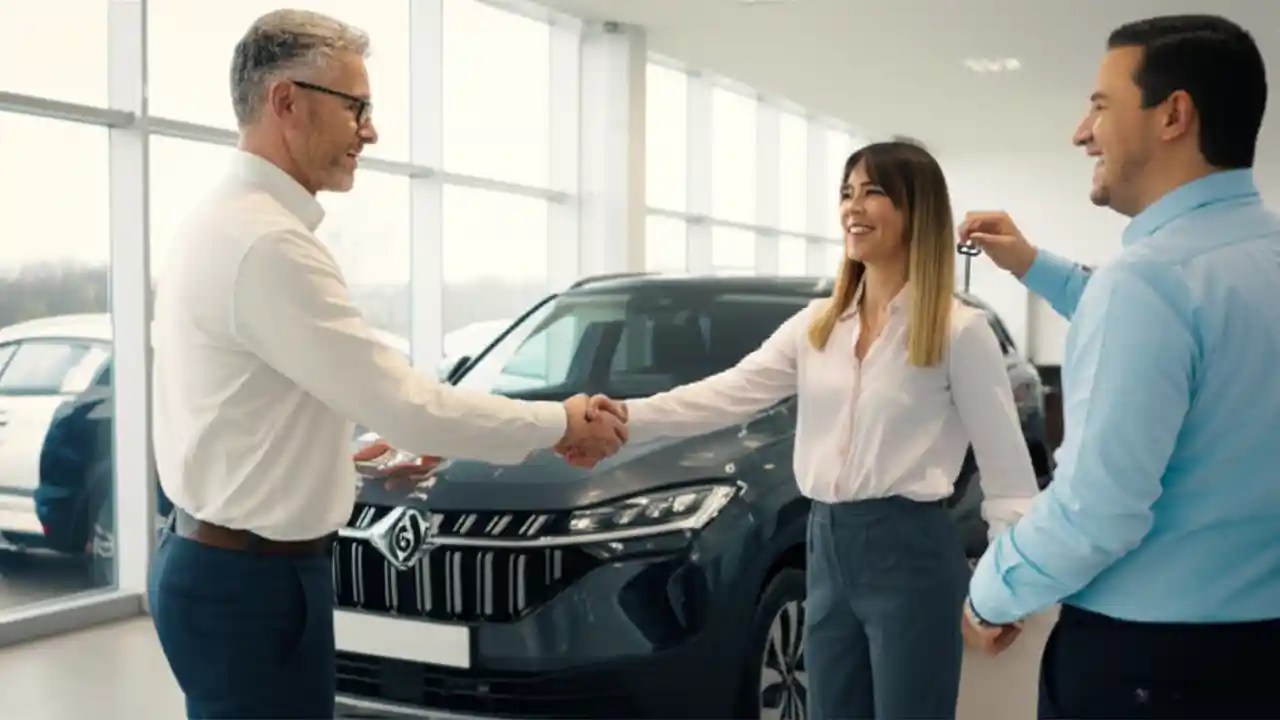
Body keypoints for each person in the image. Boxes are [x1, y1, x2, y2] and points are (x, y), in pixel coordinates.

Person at [147, 10, 625, 719]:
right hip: (253, 586)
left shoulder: (221, 221)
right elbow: (403, 402)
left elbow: (242, 413)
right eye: (356, 107)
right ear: (287, 101)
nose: (369, 130)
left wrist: (345, 465)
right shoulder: (267, 244)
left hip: (225, 564)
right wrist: (560, 421)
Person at [579, 141, 1041, 720]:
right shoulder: (818, 326)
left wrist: (1005, 591)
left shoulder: (958, 331)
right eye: (847, 192)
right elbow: (728, 393)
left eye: (873, 192)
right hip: (826, 543)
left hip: (911, 551)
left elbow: (1009, 478)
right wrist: (628, 416)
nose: (853, 206)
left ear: (916, 211)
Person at [959, 14, 1279, 720]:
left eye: (1099, 106)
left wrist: (991, 590)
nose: (1081, 132)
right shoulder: (1243, 262)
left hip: (1152, 671)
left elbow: (1095, 515)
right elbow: (1193, 332)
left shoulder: (1149, 283)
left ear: (1173, 115)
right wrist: (1034, 265)